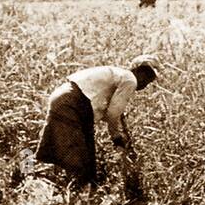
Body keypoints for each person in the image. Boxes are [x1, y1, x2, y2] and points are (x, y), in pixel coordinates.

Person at [34, 54, 160, 186]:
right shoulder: (130, 80)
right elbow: (113, 114)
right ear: (139, 71)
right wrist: (116, 138)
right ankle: (73, 191)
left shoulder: (119, 75)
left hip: (64, 98)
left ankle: (62, 185)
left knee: (81, 152)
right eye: (147, 77)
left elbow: (113, 111)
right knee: (79, 158)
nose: (146, 84)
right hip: (72, 103)